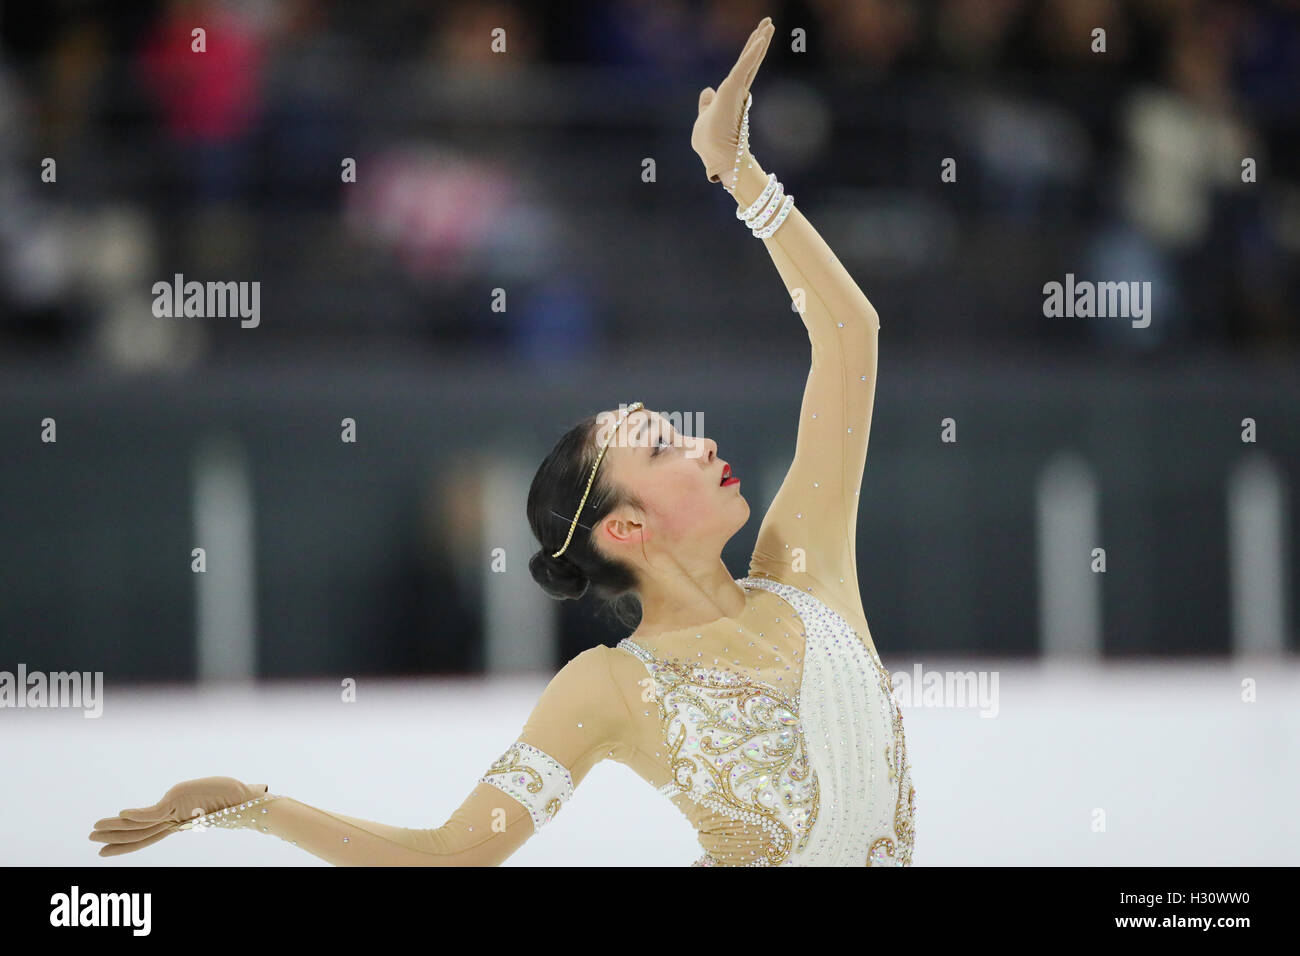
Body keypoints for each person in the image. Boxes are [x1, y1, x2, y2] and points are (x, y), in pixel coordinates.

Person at [89, 16, 914, 867]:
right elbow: (451, 856)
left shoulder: (804, 567)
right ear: (623, 529)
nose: (703, 448)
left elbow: (851, 334)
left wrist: (739, 174)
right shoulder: (609, 687)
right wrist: (255, 809)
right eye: (665, 449)